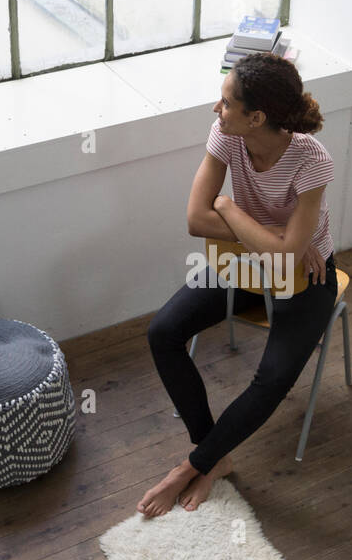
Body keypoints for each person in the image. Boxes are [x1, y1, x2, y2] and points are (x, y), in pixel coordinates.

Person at [139, 51, 339, 517]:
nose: (217, 109)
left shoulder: (312, 161)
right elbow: (195, 220)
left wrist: (229, 207)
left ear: (257, 118)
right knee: (162, 332)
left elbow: (286, 258)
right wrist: (277, 236)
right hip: (247, 260)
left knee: (272, 379)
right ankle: (214, 454)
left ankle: (191, 467)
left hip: (307, 276)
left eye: (227, 102)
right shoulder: (226, 135)